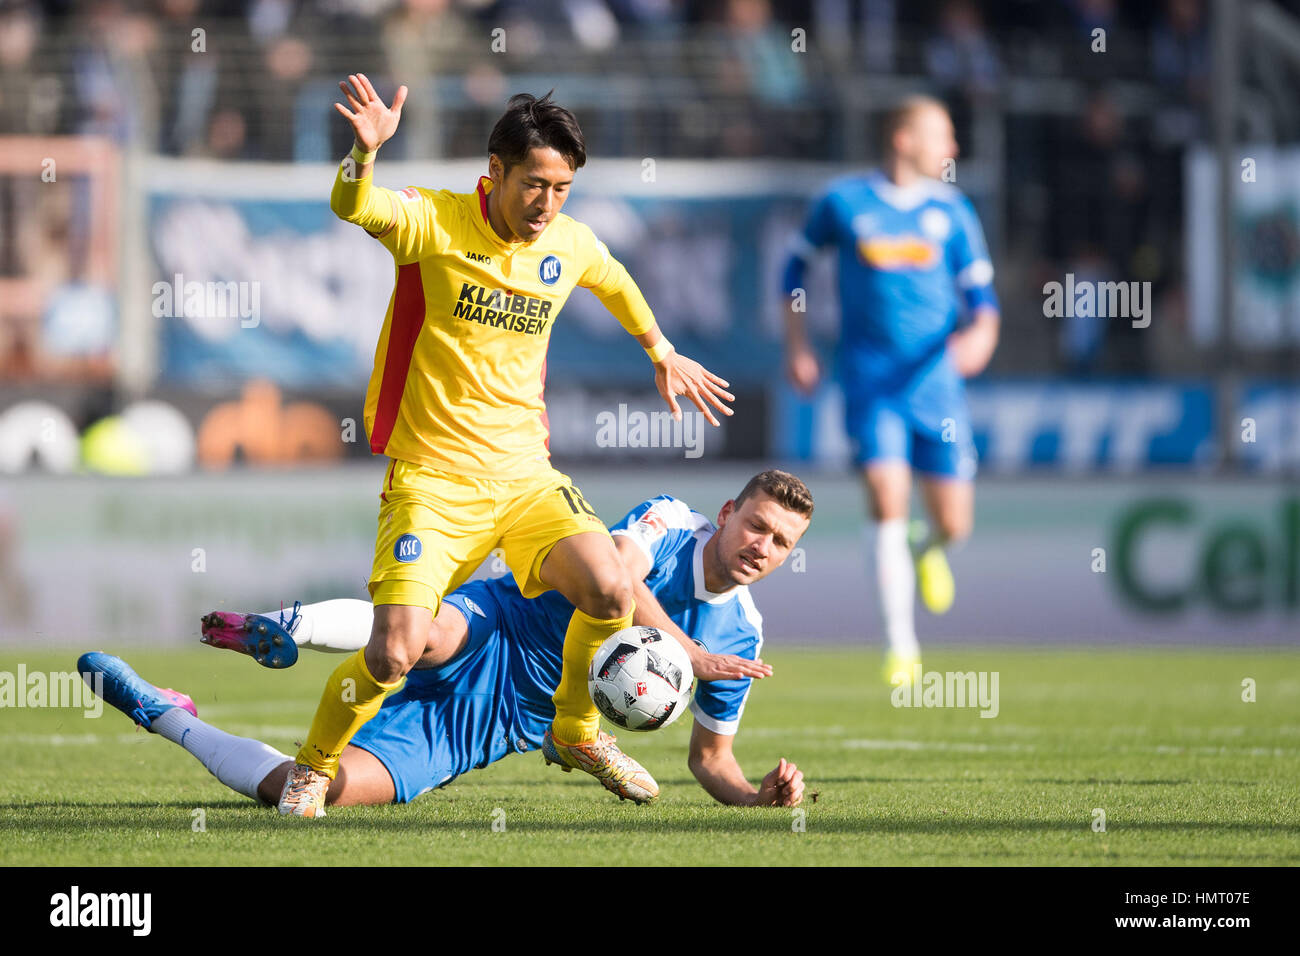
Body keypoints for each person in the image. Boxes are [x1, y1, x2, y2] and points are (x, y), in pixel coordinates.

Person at [274, 76, 736, 817]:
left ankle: (577, 729)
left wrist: (660, 347)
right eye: (533, 184)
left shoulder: (567, 242)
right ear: (495, 171)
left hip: (525, 478)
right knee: (394, 653)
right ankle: (313, 766)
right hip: (432, 481)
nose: (546, 203)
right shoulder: (437, 221)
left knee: (612, 587)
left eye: (561, 188)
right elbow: (353, 205)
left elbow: (613, 278)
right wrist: (363, 154)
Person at [77, 470, 814, 810]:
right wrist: (686, 652)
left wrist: (755, 798)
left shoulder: (741, 638)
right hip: (503, 621)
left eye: (781, 543)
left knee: (312, 798)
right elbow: (620, 571)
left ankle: (164, 712)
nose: (762, 545)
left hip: (498, 721)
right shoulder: (672, 520)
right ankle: (292, 624)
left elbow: (710, 759)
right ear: (726, 512)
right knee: (416, 638)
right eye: (756, 525)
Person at [781, 95, 999, 685]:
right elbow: (793, 270)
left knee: (954, 524)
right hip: (870, 386)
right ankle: (900, 646)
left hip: (938, 392)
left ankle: (928, 551)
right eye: (943, 136)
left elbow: (983, 303)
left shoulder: (953, 212)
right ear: (903, 139)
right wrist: (798, 345)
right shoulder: (844, 202)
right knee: (885, 495)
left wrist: (979, 338)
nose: (952, 149)